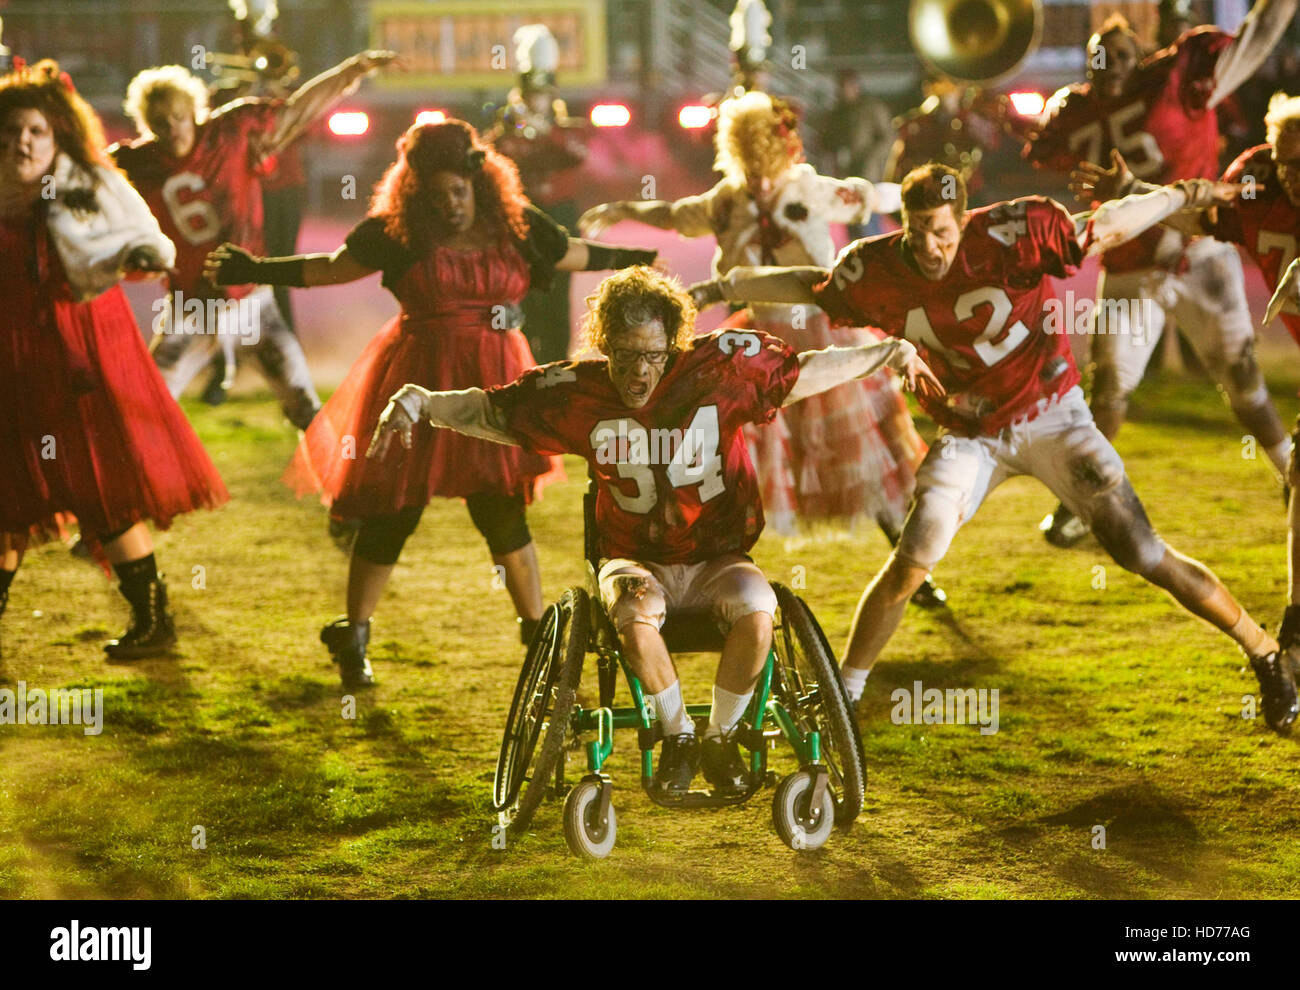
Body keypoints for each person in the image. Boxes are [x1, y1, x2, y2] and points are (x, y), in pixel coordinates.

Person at [688, 163, 1300, 733]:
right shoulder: (874, 269)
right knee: (912, 557)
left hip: (1053, 414)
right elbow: (814, 285)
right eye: (922, 231)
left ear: (966, 221)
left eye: (944, 232)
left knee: (1143, 553)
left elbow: (1105, 226)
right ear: (905, 223)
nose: (933, 246)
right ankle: (846, 693)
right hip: (971, 434)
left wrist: (1182, 195)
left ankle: (1264, 650)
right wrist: (729, 283)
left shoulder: (1013, 232)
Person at [367, 265, 943, 796]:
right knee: (635, 614)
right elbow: (492, 411)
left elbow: (805, 371)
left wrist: (888, 352)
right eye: (624, 353)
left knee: (759, 609)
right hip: (633, 558)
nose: (639, 370)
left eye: (652, 355)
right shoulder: (577, 390)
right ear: (604, 344)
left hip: (719, 553)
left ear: (674, 345)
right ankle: (679, 737)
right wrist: (419, 401)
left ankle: (719, 738)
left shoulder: (720, 370)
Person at [205, 119, 657, 690]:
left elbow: (568, 252)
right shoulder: (399, 231)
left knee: (500, 506)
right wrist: (254, 270)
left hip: (495, 377)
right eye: (438, 193)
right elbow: (330, 269)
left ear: (479, 182)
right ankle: (355, 634)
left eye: (459, 191)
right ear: (417, 190)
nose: (451, 203)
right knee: (394, 509)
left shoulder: (512, 221)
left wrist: (631, 257)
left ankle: (536, 634)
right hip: (417, 376)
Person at [580, 90, 947, 606]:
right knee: (720, 447)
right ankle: (708, 567)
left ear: (781, 152)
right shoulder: (726, 198)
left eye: (763, 159)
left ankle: (914, 571)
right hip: (758, 341)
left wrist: (921, 198)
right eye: (746, 160)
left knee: (859, 452)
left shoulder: (808, 187)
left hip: (821, 332)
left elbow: (866, 196)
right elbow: (675, 214)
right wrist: (622, 207)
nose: (756, 171)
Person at [1023, 1, 1297, 546]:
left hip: (1198, 252)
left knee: (1242, 380)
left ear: (1142, 56)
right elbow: (1045, 152)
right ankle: (1085, 499)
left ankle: (1289, 471)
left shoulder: (1176, 78)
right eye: (1099, 56)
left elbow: (1251, 41)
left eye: (1123, 54)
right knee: (1108, 390)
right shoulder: (1071, 111)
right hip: (1127, 262)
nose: (1111, 64)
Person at [0, 59, 228, 659]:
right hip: (8, 357)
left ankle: (153, 619)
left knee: (100, 485)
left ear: (57, 135)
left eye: (35, 132)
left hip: (81, 350)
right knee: (7, 493)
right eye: (9, 132)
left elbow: (146, 241)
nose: (21, 143)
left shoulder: (90, 185)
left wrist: (141, 256)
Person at [1076, 94, 1300, 675]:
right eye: (1285, 163)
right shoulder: (1257, 182)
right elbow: (1201, 217)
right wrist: (1133, 190)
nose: (1291, 176)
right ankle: (1296, 629)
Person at [112, 50, 398, 429]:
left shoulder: (231, 132)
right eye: (161, 124)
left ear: (195, 110)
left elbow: (299, 110)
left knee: (303, 406)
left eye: (178, 118)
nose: (173, 130)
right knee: (145, 408)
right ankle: (140, 484)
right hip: (190, 305)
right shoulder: (136, 162)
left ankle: (342, 483)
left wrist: (351, 70)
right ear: (146, 126)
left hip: (251, 301)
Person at [820, 70, 893, 238]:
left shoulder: (871, 108)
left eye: (846, 86)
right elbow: (827, 141)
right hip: (845, 175)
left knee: (869, 223)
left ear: (856, 86)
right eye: (840, 87)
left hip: (868, 175)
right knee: (851, 223)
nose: (843, 91)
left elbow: (887, 137)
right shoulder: (837, 113)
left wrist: (871, 160)